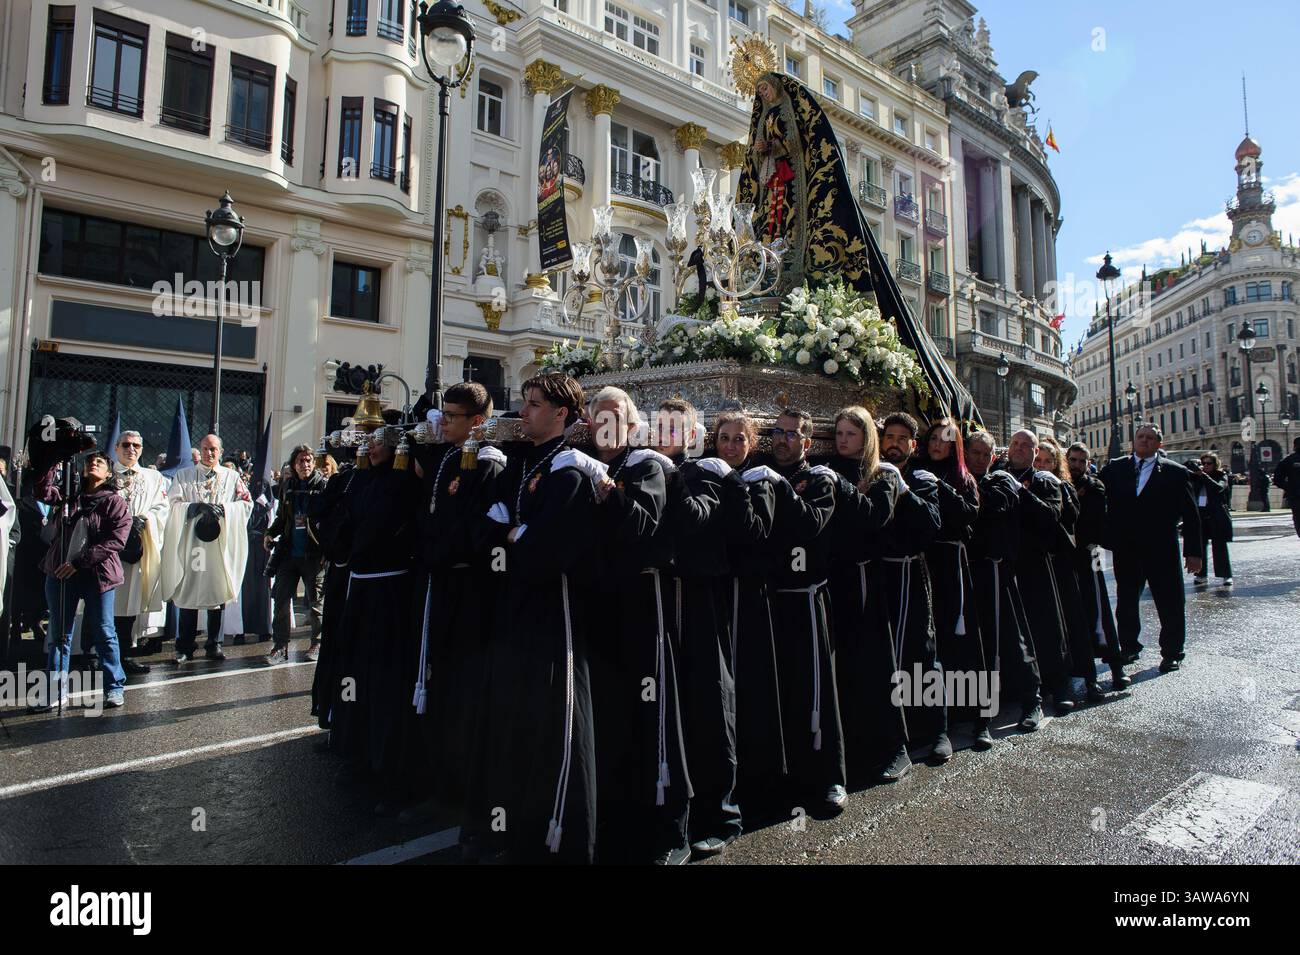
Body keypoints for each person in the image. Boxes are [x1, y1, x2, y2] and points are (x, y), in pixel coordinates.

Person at [472, 373, 599, 864]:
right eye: (524, 403)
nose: (523, 412)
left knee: (557, 725)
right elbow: (491, 528)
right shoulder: (528, 465)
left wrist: (516, 535)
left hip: (555, 613)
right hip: (520, 608)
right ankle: (521, 833)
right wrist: (514, 534)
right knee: (521, 724)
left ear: (561, 414)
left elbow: (551, 552)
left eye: (533, 404)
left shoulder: (567, 471)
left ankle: (562, 840)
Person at [581, 386, 691, 865]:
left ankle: (672, 827)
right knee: (609, 710)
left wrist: (609, 495)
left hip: (642, 601)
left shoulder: (645, 465)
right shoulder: (580, 459)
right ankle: (619, 812)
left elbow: (642, 525)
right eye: (597, 417)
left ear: (630, 424)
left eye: (615, 418)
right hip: (597, 602)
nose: (605, 427)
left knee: (654, 709)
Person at [406, 382, 505, 852]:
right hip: (440, 582)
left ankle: (468, 795)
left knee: (467, 693)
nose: (442, 421)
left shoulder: (487, 462)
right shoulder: (447, 457)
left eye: (453, 415)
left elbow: (474, 528)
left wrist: (443, 550)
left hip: (469, 590)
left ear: (478, 422)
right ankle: (440, 787)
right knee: (439, 683)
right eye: (442, 414)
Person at [654, 398, 741, 858]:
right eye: (660, 426)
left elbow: (696, 518)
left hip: (701, 598)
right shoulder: (648, 465)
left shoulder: (706, 470)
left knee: (709, 703)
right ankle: (670, 818)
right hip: (662, 599)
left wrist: (665, 472)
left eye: (676, 428)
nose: (666, 435)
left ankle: (721, 814)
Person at [326, 421, 424, 814]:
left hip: (388, 591)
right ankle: (358, 751)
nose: (369, 447)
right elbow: (338, 522)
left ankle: (391, 768)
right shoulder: (356, 481)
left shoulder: (400, 483)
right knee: (354, 675)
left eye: (378, 441)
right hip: (360, 586)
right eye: (365, 440)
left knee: (385, 681)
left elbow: (381, 526)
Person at [814, 406, 912, 783]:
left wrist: (838, 487)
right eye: (838, 433)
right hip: (834, 577)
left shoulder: (882, 474)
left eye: (850, 434)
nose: (842, 440)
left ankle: (895, 747)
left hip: (865, 578)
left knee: (875, 664)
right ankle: (856, 746)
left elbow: (875, 516)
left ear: (867, 437)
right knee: (844, 667)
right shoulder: (830, 470)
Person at [759, 408, 848, 814]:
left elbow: (811, 524)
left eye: (792, 434)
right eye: (777, 431)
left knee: (817, 690)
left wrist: (781, 489)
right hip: (770, 596)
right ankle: (786, 777)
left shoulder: (819, 480)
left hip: (807, 598)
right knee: (776, 690)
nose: (782, 439)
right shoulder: (760, 472)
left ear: (808, 442)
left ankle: (830, 776)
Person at [713, 410, 784, 815]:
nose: (731, 445)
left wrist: (732, 485)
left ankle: (757, 780)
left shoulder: (759, 481)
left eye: (740, 438)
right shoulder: (711, 473)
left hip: (751, 595)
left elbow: (754, 531)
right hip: (720, 591)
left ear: (751, 443)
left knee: (752, 685)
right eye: (724, 437)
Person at [32, 452, 131, 711]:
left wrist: (79, 562)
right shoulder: (69, 496)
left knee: (104, 631)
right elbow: (43, 491)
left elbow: (115, 541)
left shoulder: (115, 502)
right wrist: (52, 461)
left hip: (97, 574)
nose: (93, 462)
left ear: (110, 473)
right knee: (59, 634)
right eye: (89, 461)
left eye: (100, 461)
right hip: (61, 573)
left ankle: (113, 687)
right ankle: (55, 691)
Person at [915, 417, 991, 749]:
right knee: (930, 645)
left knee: (965, 643)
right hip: (923, 564)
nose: (937, 445)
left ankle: (979, 719)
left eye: (944, 440)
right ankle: (933, 721)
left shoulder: (963, 478)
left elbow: (967, 515)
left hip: (952, 566)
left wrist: (940, 487)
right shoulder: (915, 470)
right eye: (933, 438)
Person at [1101, 424, 1202, 672]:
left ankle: (1172, 652)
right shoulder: (1115, 468)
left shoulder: (1176, 472)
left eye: (1150, 438)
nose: (1144, 441)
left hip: (1162, 549)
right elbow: (1095, 497)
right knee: (1126, 602)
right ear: (1133, 441)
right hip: (1127, 548)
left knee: (1170, 602)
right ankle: (1129, 647)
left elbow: (1191, 514)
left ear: (1159, 444)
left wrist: (1194, 552)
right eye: (1140, 437)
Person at [877, 412, 947, 760]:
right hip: (878, 574)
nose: (894, 443)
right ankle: (894, 736)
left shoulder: (921, 477)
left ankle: (936, 731)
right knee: (885, 655)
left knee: (921, 651)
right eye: (889, 436)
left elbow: (930, 522)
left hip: (910, 573)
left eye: (902, 438)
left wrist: (902, 490)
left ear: (913, 445)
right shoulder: (873, 474)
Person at [965, 431, 1044, 730]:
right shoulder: (960, 479)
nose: (981, 460)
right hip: (968, 573)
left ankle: (1032, 700)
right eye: (975, 453)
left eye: (987, 455)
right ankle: (979, 712)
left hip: (997, 571)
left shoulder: (1000, 479)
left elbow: (995, 505)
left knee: (1013, 639)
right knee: (977, 645)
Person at [999, 430, 1076, 713]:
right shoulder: (998, 474)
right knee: (1013, 631)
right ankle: (1018, 687)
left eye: (1026, 445)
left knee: (1047, 628)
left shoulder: (1044, 480)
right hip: (1006, 564)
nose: (1018, 449)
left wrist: (1020, 491)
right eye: (1014, 444)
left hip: (1036, 564)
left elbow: (1049, 517)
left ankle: (1059, 686)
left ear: (1035, 451)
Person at [162, 433, 252, 664]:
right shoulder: (184, 476)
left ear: (221, 452)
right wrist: (195, 507)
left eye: (214, 449)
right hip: (194, 543)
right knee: (189, 589)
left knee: (216, 589)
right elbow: (172, 504)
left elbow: (246, 503)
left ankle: (215, 643)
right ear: (199, 451)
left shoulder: (232, 477)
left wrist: (225, 509)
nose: (209, 453)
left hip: (218, 543)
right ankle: (185, 645)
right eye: (205, 449)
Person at [1036, 435, 1109, 704]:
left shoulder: (1066, 489)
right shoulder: (1029, 483)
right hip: (1039, 567)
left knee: (1077, 623)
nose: (1042, 465)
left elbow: (1071, 524)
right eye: (1038, 460)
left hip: (1068, 564)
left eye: (1048, 461)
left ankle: (1090, 679)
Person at [1065, 442, 1130, 692]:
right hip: (1068, 556)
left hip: (1091, 554)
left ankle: (1115, 666)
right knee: (1074, 614)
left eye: (1082, 461)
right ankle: (1086, 675)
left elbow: (1094, 521)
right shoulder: (1061, 484)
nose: (1078, 466)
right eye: (1073, 460)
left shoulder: (1095, 486)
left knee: (1100, 609)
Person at [262, 445, 328, 664]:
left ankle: (317, 643)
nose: (305, 465)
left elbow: (331, 519)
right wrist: (270, 533)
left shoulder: (322, 485)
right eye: (301, 461)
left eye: (309, 460)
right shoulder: (287, 486)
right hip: (289, 553)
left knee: (316, 603)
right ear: (293, 464)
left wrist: (328, 550)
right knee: (281, 601)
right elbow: (283, 518)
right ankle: (280, 647)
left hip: (314, 554)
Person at [111, 430, 169, 675]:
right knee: (105, 602)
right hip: (109, 549)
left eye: (136, 445)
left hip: (136, 545)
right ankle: (96, 654)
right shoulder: (107, 474)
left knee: (129, 604)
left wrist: (143, 519)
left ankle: (125, 655)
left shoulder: (152, 477)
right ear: (116, 448)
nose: (131, 449)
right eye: (126, 444)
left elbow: (162, 506)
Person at [1188, 453, 1233, 587]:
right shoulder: (1196, 476)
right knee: (1200, 547)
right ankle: (1201, 574)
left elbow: (1218, 487)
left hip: (1216, 514)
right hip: (1201, 514)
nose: (1206, 466)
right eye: (1203, 463)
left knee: (1220, 547)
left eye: (1209, 463)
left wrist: (1203, 476)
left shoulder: (1221, 475)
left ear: (1215, 464)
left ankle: (1225, 575)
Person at [1274, 436, 1300, 539]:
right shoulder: (1288, 461)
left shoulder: (1288, 460)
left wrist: (1290, 488)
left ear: (1294, 446)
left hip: (1296, 497)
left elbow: (1277, 480)